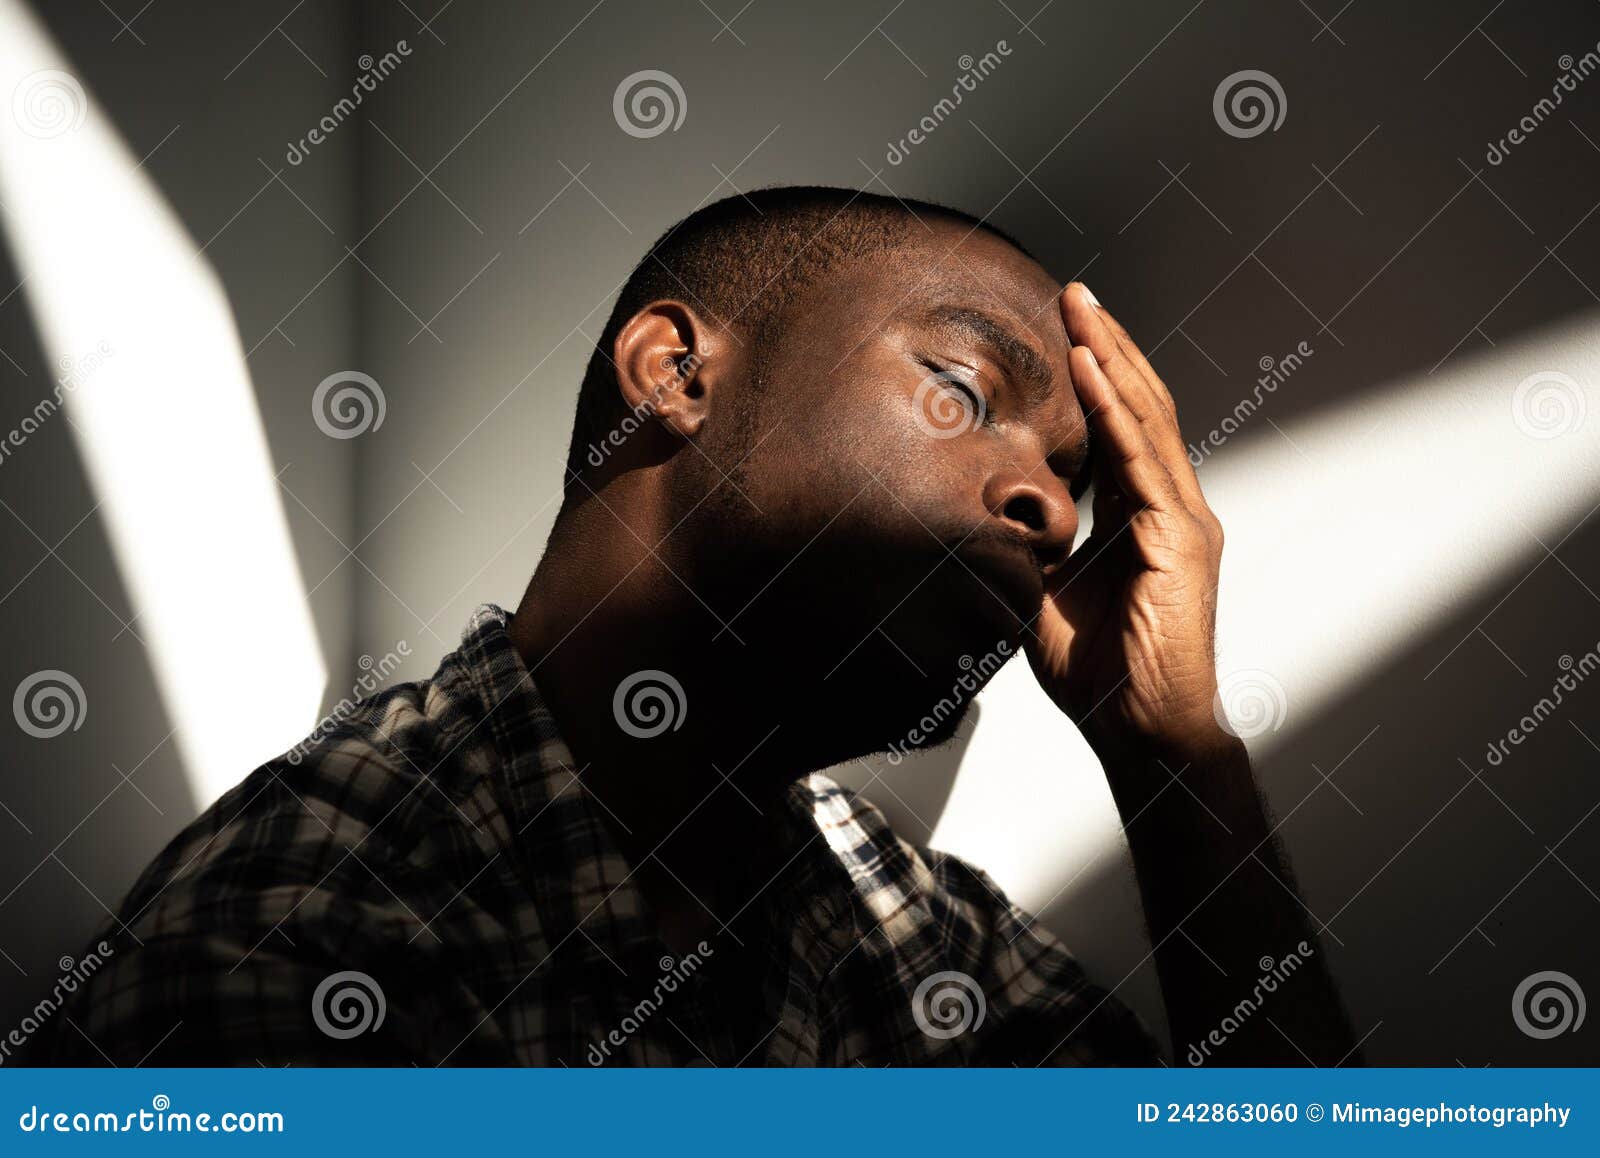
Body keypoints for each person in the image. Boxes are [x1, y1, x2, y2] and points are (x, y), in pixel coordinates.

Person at [38, 186, 1356, 1066]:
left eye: (1072, 482)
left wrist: (1175, 759)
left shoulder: (912, 933)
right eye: (965, 386)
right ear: (672, 374)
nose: (1051, 513)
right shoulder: (310, 930)